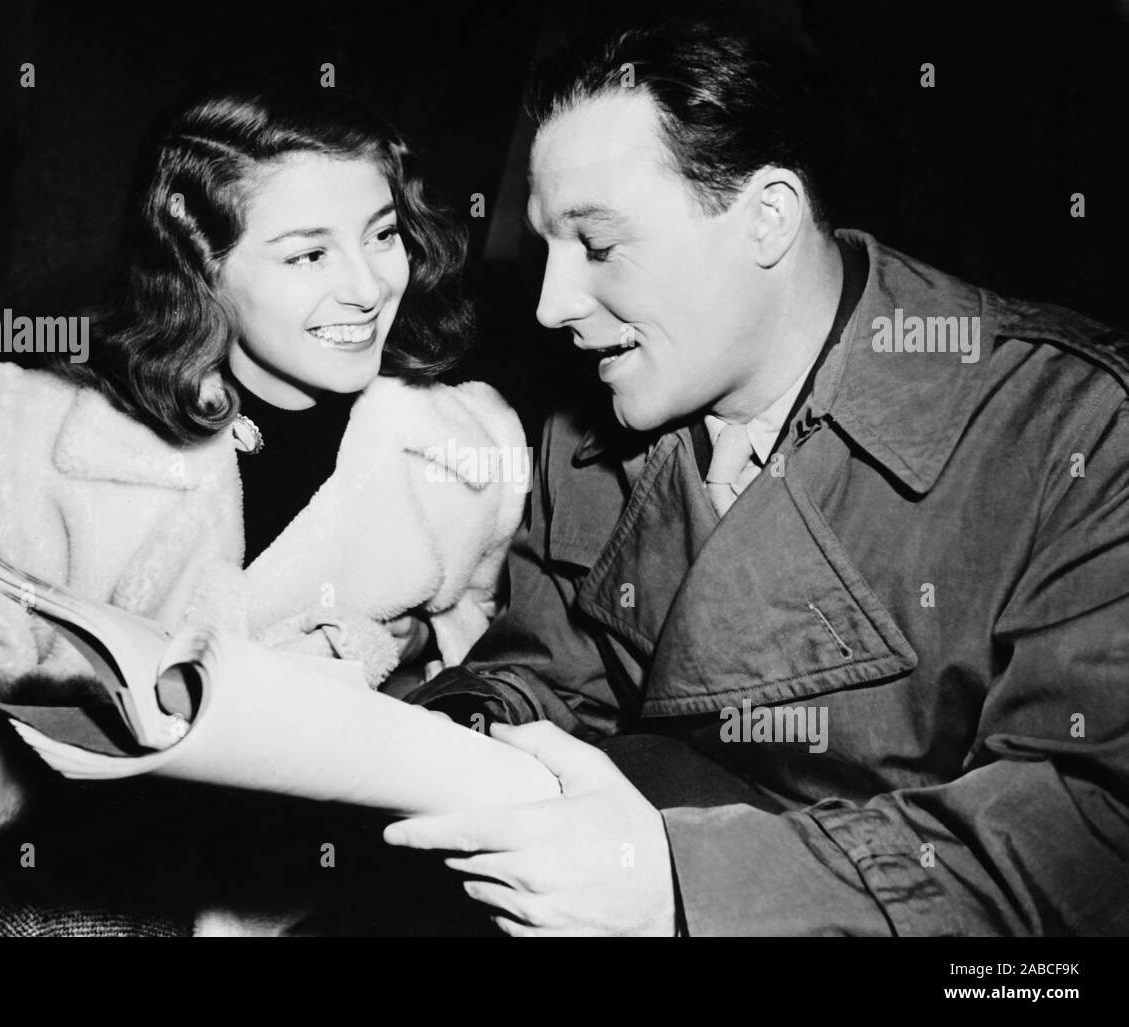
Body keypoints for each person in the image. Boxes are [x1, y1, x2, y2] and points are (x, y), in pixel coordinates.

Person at [389, 19, 1129, 936]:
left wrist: (682, 884)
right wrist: (449, 732)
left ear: (768, 217)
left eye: (599, 245)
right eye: (547, 247)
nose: (551, 305)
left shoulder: (1079, 429)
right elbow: (548, 674)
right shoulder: (591, 421)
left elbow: (1089, 837)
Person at [0, 87, 527, 936]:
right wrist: (70, 747)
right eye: (307, 255)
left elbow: (493, 668)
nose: (370, 286)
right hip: (44, 890)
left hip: (306, 898)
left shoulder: (463, 455)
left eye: (383, 235)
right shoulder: (33, 434)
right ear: (200, 265)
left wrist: (399, 655)